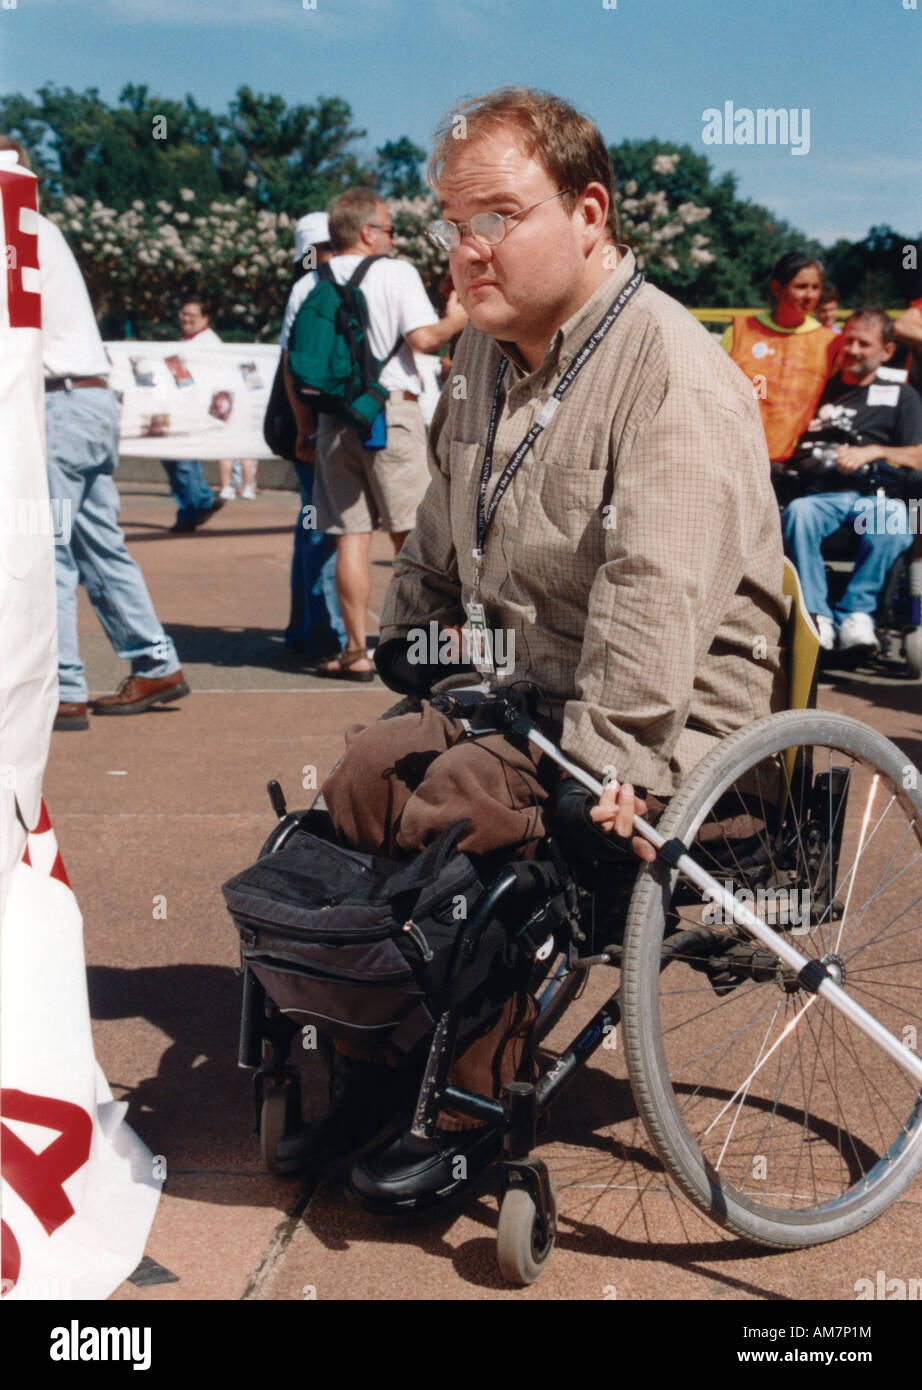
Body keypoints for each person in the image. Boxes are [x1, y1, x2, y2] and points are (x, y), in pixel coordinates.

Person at [277, 88, 788, 1199]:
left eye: (498, 217)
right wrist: (413, 643)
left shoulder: (670, 371)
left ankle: (469, 1096)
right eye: (454, 223)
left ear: (590, 211)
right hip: (521, 687)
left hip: (662, 711)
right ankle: (377, 1060)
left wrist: (612, 758)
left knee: (461, 794)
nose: (468, 251)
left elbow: (654, 594)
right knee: (365, 772)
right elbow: (435, 537)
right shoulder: (487, 355)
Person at [2, 139, 189, 729]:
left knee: (46, 545)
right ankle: (154, 661)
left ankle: (63, 688)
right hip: (86, 399)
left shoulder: (18, 231)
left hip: (58, 405)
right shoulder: (40, 228)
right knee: (96, 542)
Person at [286, 188, 468, 680]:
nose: (393, 238)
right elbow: (424, 339)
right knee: (414, 534)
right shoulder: (396, 273)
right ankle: (427, 645)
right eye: (389, 229)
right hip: (389, 413)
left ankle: (355, 652)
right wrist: (460, 314)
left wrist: (306, 429)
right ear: (368, 232)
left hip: (331, 422)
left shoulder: (308, 284)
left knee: (351, 536)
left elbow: (292, 367)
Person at [781, 307, 922, 655]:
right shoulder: (818, 389)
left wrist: (873, 451)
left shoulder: (902, 396)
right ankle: (817, 616)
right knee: (798, 514)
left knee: (891, 519)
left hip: (873, 498)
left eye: (864, 343)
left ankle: (857, 613)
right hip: (818, 496)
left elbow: (918, 454)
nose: (853, 350)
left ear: (887, 351)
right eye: (849, 340)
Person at [277, 212, 346, 660]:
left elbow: (288, 362)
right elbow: (292, 365)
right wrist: (307, 428)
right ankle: (325, 635)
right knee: (323, 531)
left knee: (312, 527)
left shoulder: (301, 287)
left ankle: (304, 629)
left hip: (311, 423)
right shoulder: (317, 288)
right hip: (327, 424)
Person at [722, 251, 838, 468]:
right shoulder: (740, 331)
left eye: (815, 287)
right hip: (734, 452)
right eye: (801, 287)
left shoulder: (830, 342)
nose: (810, 295)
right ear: (777, 289)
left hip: (792, 462)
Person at [161, 296, 225, 534]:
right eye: (183, 314)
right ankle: (202, 501)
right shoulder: (185, 341)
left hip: (195, 412)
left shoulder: (209, 343)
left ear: (205, 318)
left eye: (192, 315)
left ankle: (191, 511)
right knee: (173, 461)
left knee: (184, 464)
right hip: (179, 409)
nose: (186, 319)